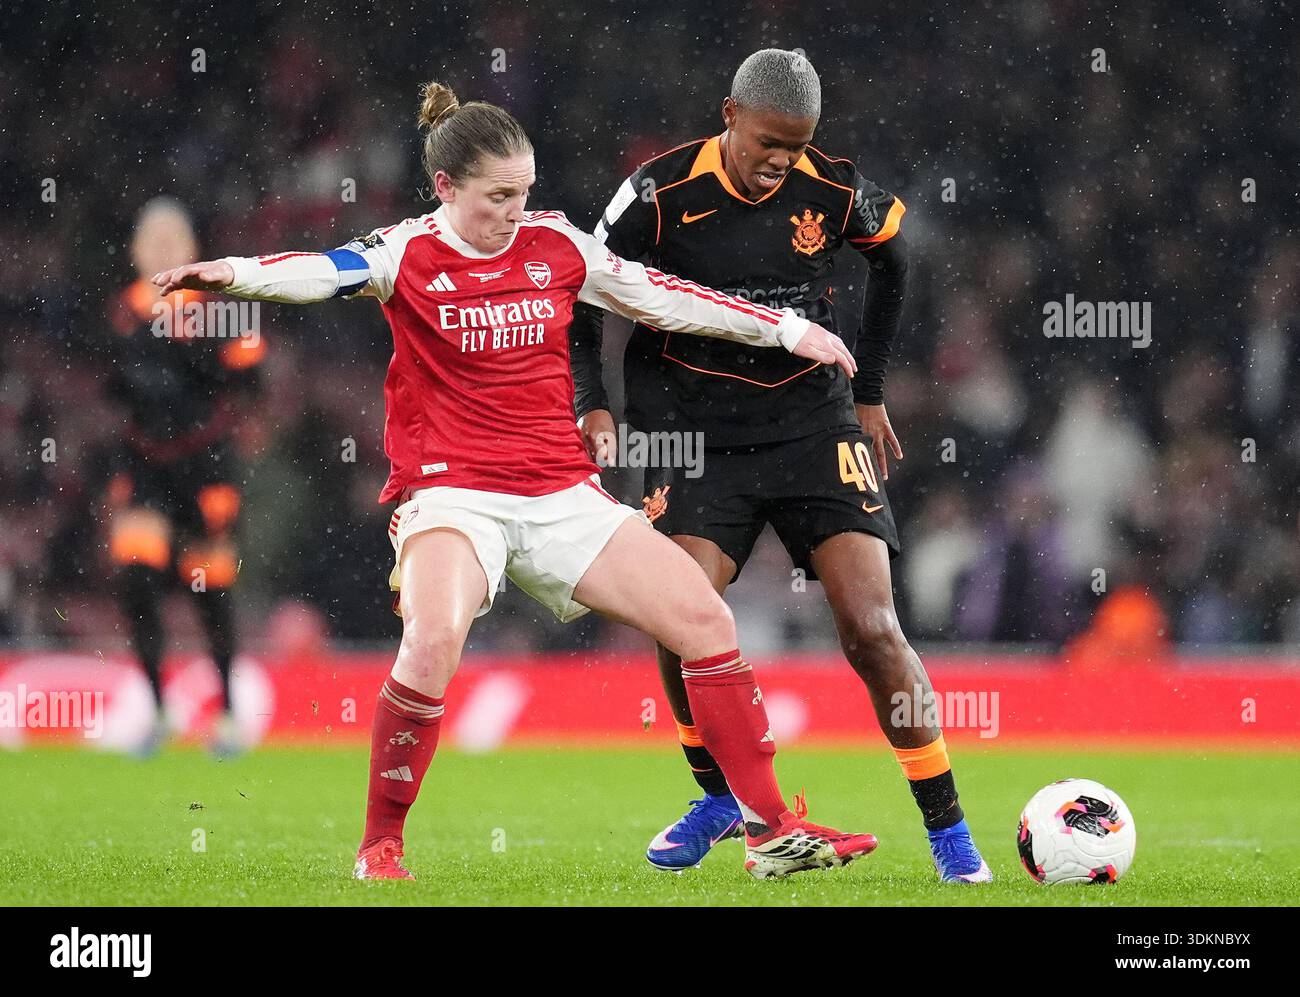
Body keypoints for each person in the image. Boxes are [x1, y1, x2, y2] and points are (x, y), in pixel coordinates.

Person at [153, 81, 877, 881]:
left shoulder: (557, 245)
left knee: (706, 620)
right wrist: (229, 273)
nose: (514, 211)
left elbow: (662, 297)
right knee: (431, 639)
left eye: (525, 192)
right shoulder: (408, 251)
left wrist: (785, 327)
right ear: (445, 189)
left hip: (563, 495)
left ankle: (770, 832)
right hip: (453, 495)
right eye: (499, 195)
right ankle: (380, 846)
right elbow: (320, 271)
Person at [570, 49, 991, 881]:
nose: (779, 161)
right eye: (768, 141)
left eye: (795, 147)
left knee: (873, 628)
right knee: (677, 613)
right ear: (730, 114)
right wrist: (596, 401)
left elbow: (895, 258)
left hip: (811, 426)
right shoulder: (657, 194)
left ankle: (951, 836)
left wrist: (868, 391)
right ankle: (720, 793)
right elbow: (582, 284)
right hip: (690, 436)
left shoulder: (831, 188)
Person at [103, 197, 265, 757]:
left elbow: (250, 385)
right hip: (144, 467)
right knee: (136, 578)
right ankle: (155, 710)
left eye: (174, 241)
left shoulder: (224, 307)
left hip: (206, 467)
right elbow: (110, 391)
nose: (163, 251)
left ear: (193, 251)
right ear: (134, 252)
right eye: (153, 242)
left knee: (210, 590)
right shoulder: (122, 313)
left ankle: (225, 713)